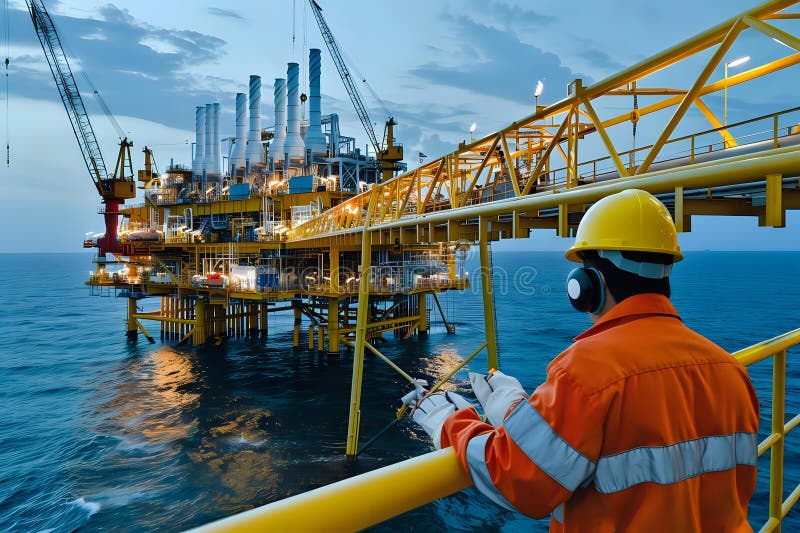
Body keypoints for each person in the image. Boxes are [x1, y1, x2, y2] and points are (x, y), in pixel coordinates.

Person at [409, 189, 760, 531]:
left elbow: (519, 480)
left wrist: (448, 422)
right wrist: (516, 410)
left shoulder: (588, 371)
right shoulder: (729, 370)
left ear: (587, 284)